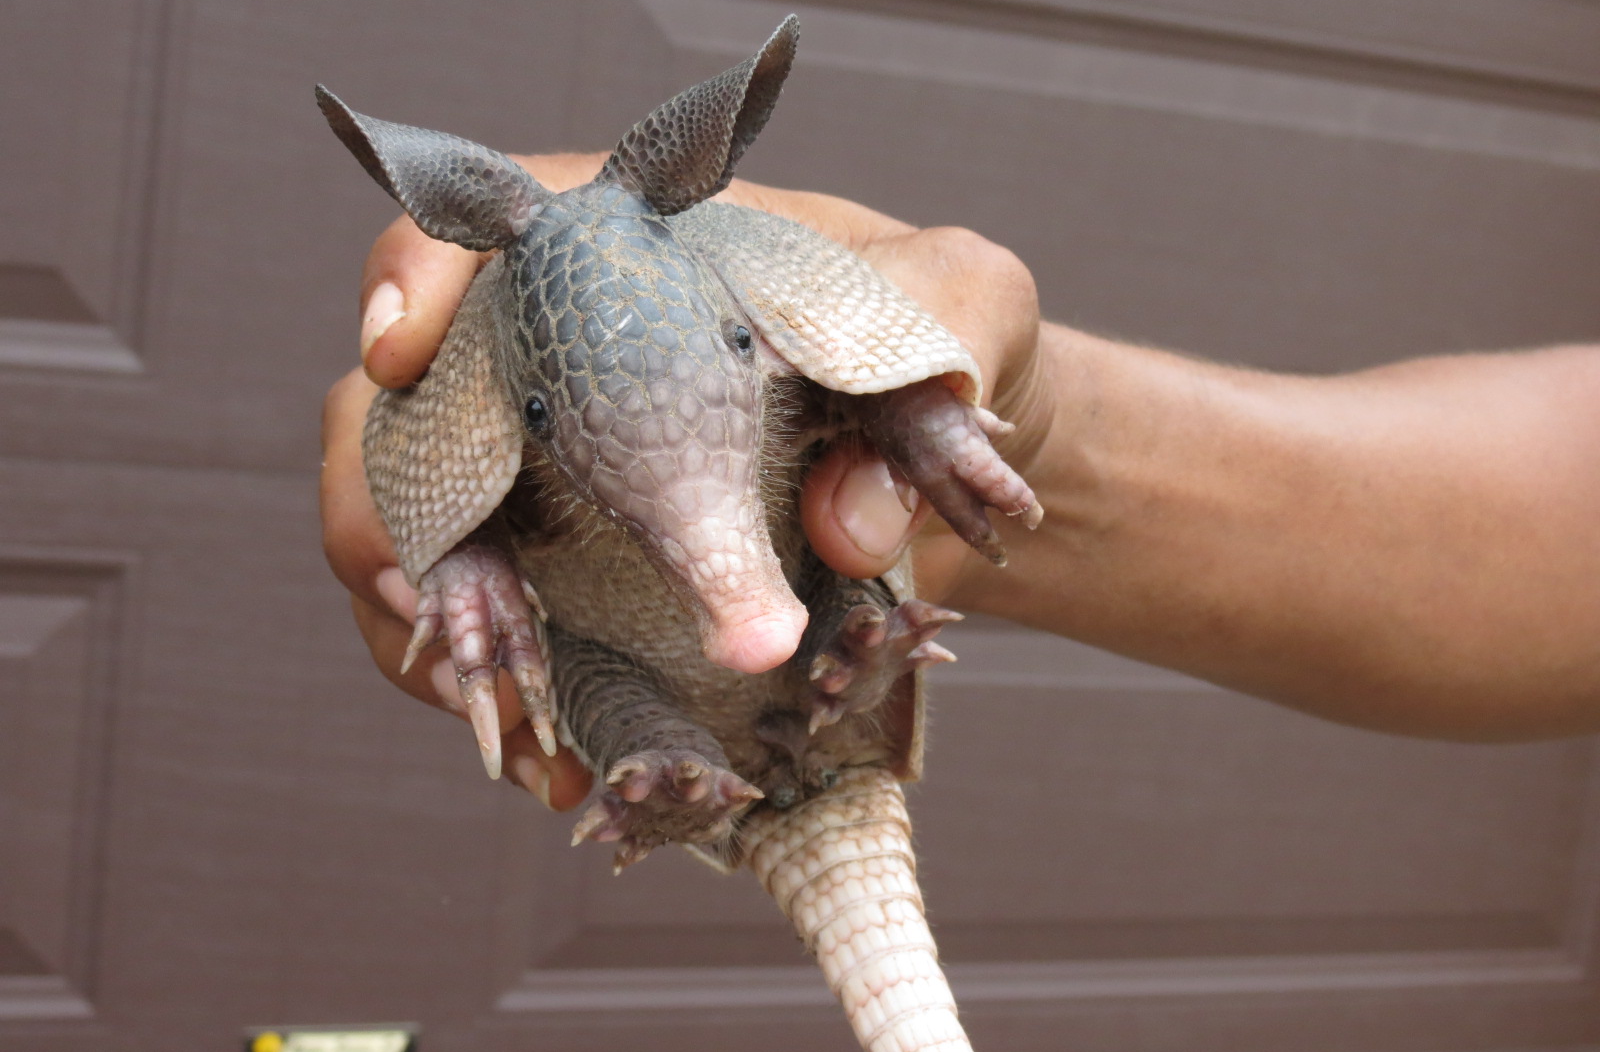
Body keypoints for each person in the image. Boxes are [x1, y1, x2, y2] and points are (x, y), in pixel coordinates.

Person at [321, 152, 1600, 810]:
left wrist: (924, 418)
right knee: (604, 670)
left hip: (804, 628)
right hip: (630, 653)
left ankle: (839, 664)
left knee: (805, 606)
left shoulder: (754, 279)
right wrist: (464, 558)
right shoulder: (489, 363)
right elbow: (425, 472)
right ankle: (680, 770)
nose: (740, 601)